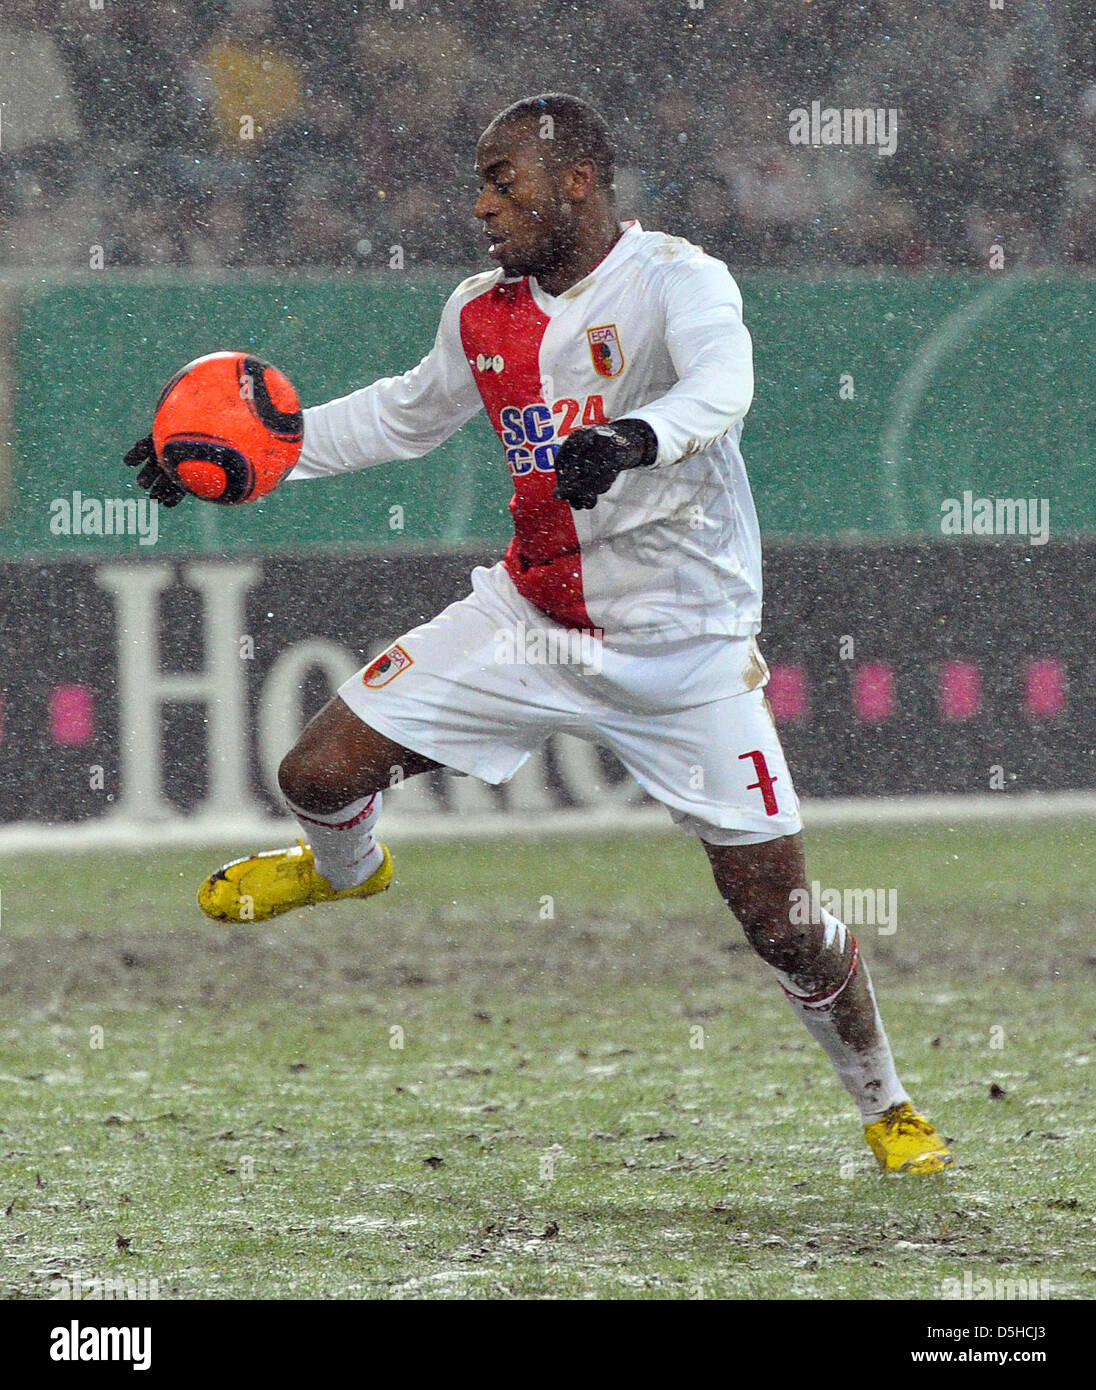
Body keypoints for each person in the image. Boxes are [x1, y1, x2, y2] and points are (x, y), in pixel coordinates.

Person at [126, 93, 952, 1176]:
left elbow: (726, 386)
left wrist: (634, 438)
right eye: (478, 181)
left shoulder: (675, 280)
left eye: (500, 178)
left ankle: (887, 1103)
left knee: (782, 921)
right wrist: (252, 449)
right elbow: (402, 414)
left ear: (576, 180)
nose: (480, 204)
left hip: (683, 656)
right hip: (530, 619)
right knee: (316, 771)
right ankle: (343, 869)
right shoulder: (481, 311)